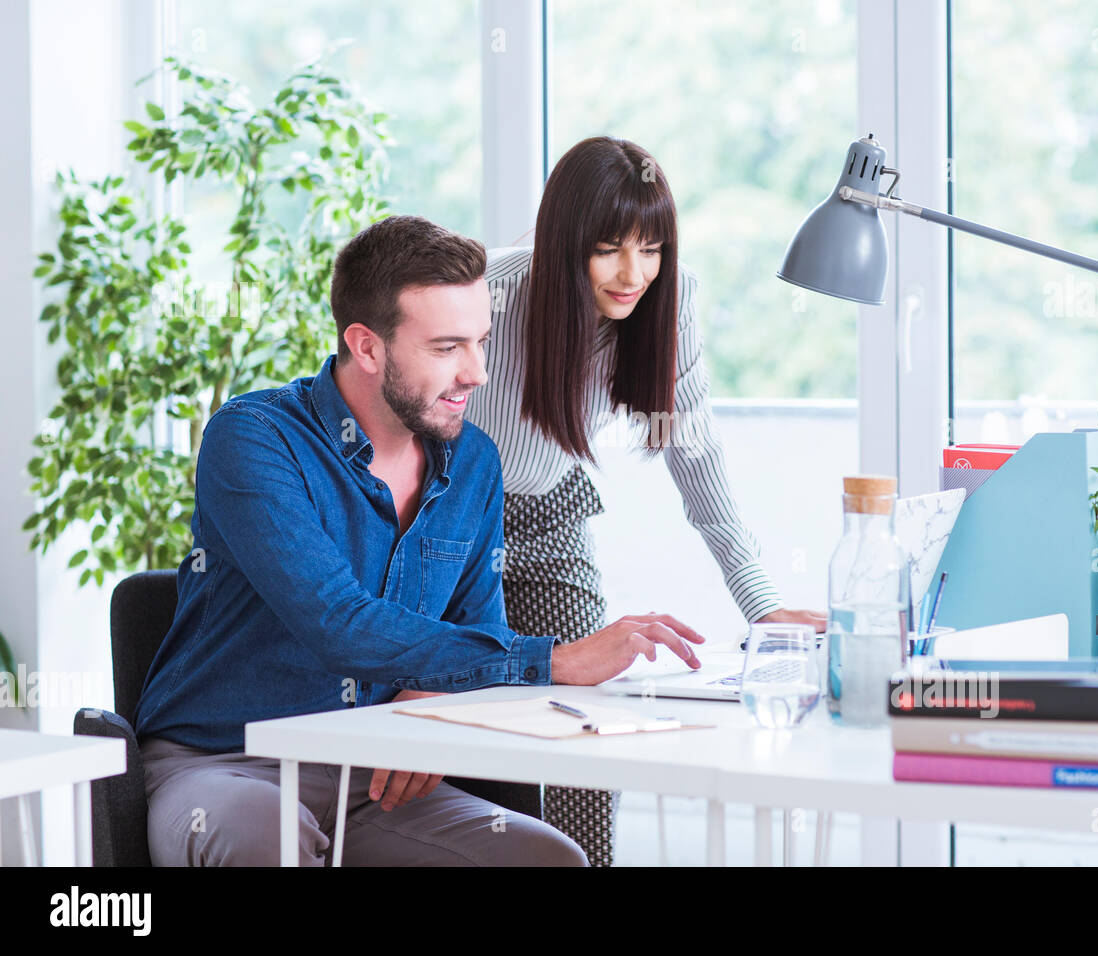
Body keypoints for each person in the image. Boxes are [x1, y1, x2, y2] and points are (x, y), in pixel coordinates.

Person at [132, 214, 704, 866]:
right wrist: (555, 659)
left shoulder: (474, 464)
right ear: (368, 347)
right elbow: (337, 623)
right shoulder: (254, 439)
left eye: (481, 342)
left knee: (548, 858)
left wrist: (429, 698)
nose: (477, 373)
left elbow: (474, 627)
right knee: (267, 837)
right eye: (447, 348)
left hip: (373, 775)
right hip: (223, 766)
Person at [465, 137, 828, 866]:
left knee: (585, 730)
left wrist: (760, 602)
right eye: (608, 249)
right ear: (565, 244)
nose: (634, 274)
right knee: (469, 730)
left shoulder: (674, 296)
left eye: (652, 247)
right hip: (445, 525)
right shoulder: (493, 295)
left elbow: (692, 451)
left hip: (551, 515)